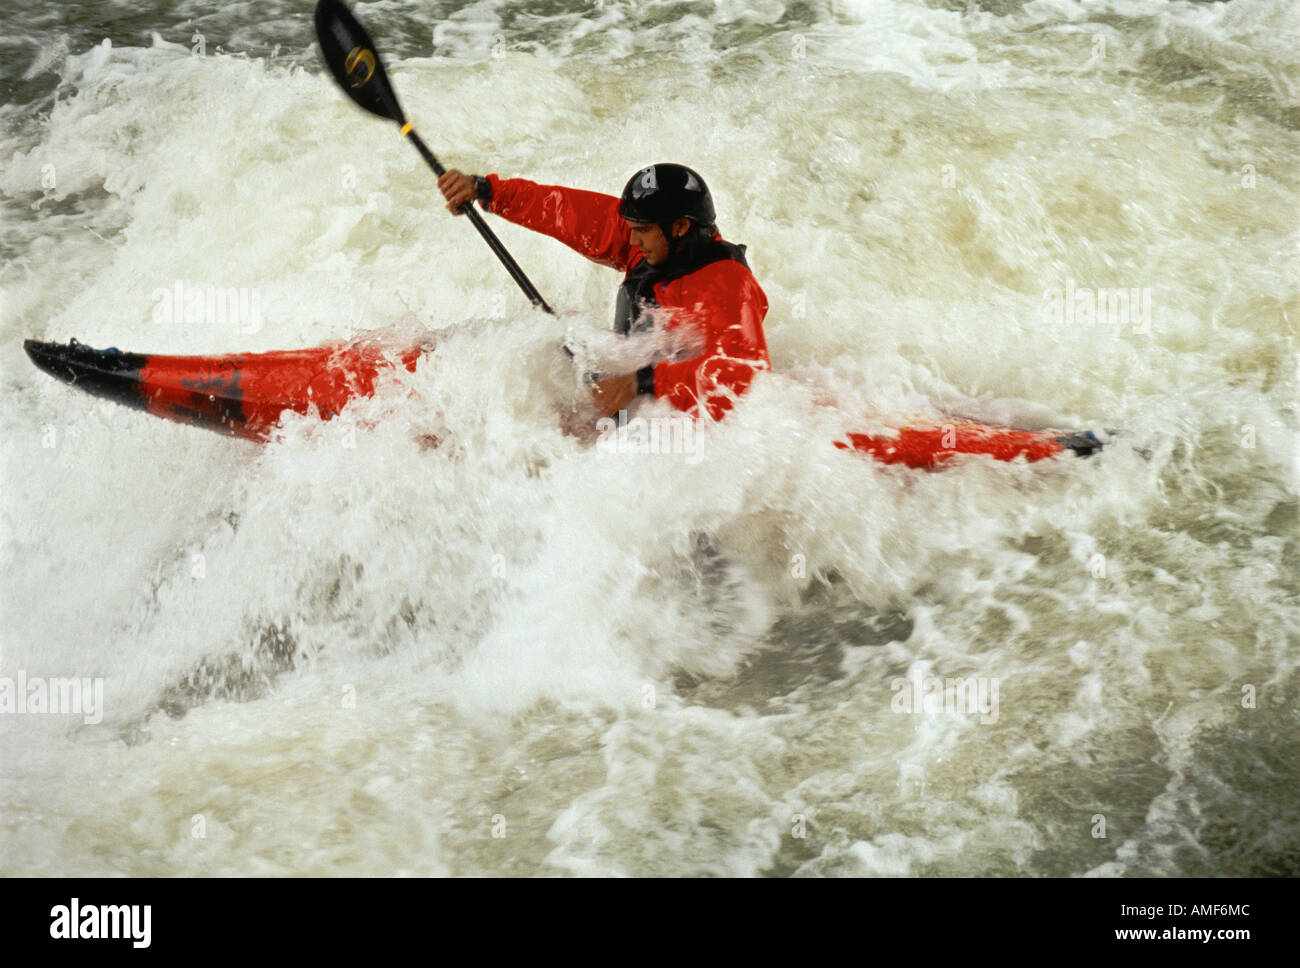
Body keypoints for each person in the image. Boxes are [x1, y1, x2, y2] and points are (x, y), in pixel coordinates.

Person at [436, 163, 770, 421]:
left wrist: (644, 383)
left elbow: (744, 374)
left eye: (642, 231)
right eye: (631, 229)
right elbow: (562, 211)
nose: (632, 240)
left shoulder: (727, 283)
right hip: (623, 397)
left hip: (672, 424)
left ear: (680, 227)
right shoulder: (656, 240)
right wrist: (487, 190)